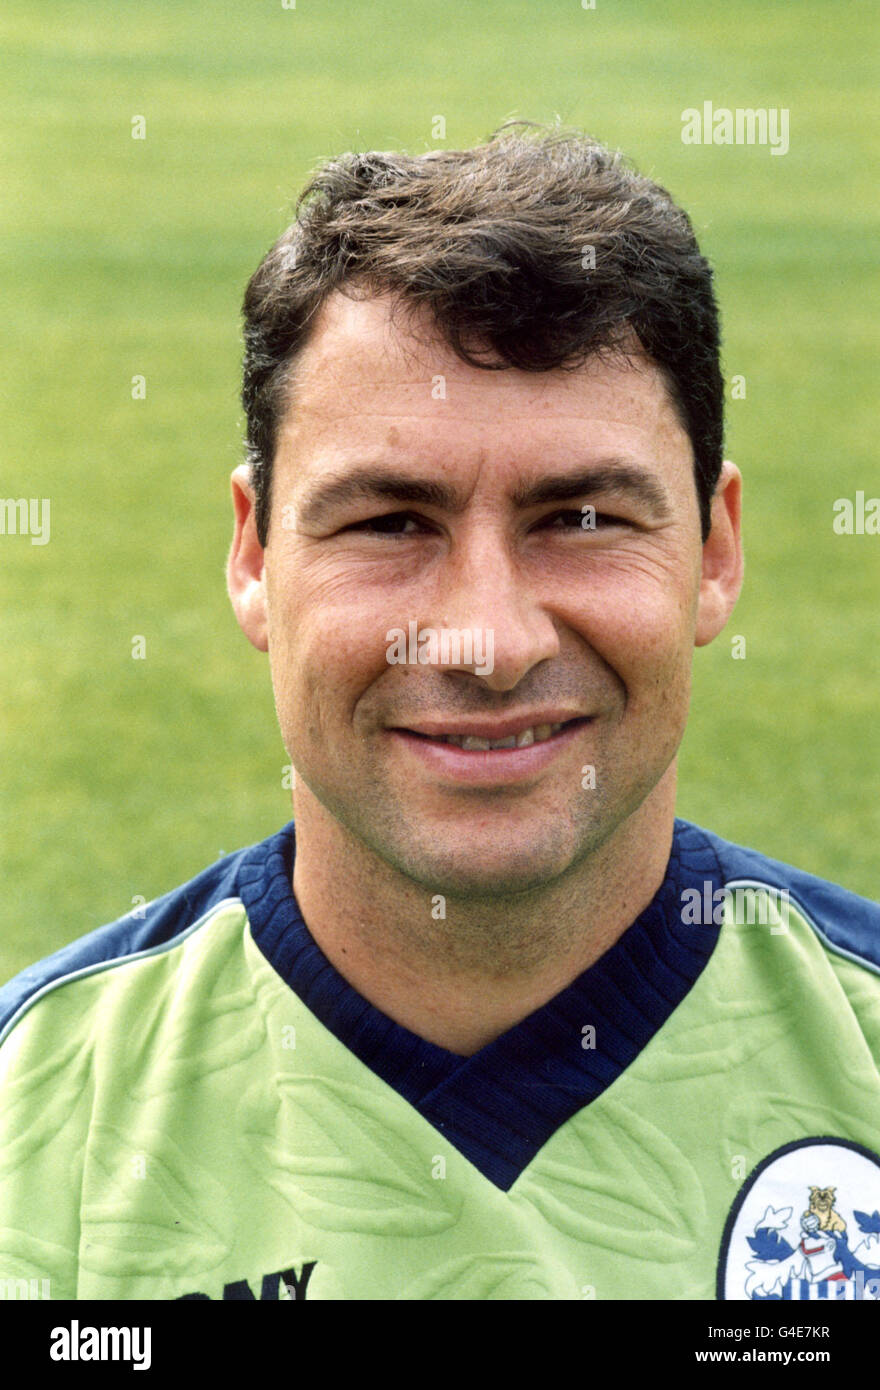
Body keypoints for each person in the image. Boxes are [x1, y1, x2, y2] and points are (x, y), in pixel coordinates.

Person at [1, 122, 878, 1304]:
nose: (489, 641)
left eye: (579, 518)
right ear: (255, 553)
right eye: (390, 522)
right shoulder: (31, 1120)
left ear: (714, 550)